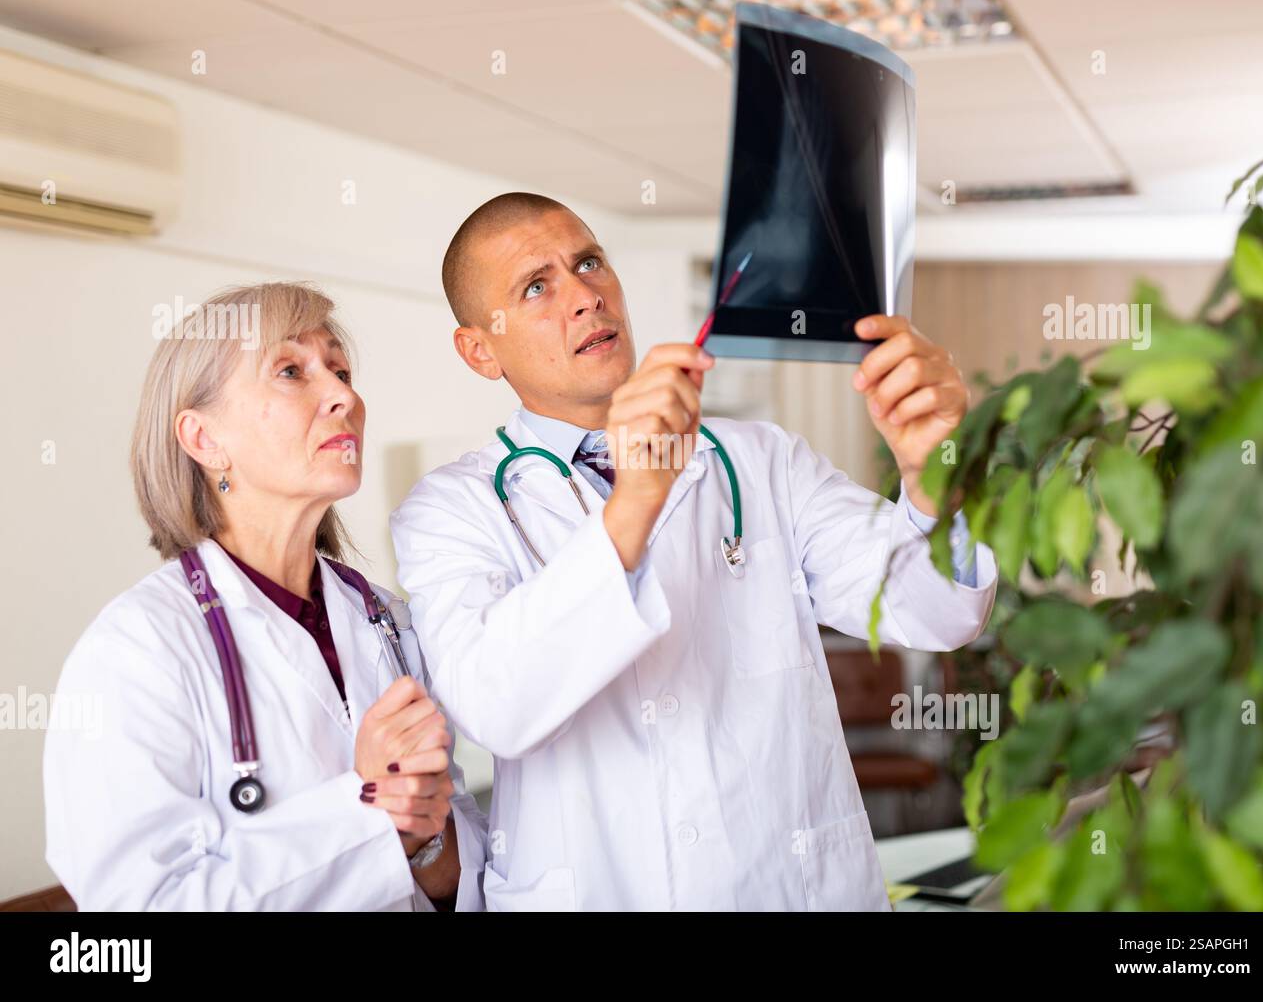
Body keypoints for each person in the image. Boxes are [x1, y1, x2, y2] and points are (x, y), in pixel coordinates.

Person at [390, 195, 996, 910]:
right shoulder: (451, 510)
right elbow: (498, 703)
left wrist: (935, 480)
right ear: (479, 350)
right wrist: (634, 504)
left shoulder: (759, 459)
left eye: (589, 263)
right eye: (537, 286)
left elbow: (938, 614)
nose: (584, 295)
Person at [45, 282, 488, 910]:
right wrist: (368, 813)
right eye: (290, 371)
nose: (345, 396)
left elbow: (457, 855)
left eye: (340, 369)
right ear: (203, 439)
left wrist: (425, 844)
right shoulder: (134, 651)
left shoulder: (383, 618)